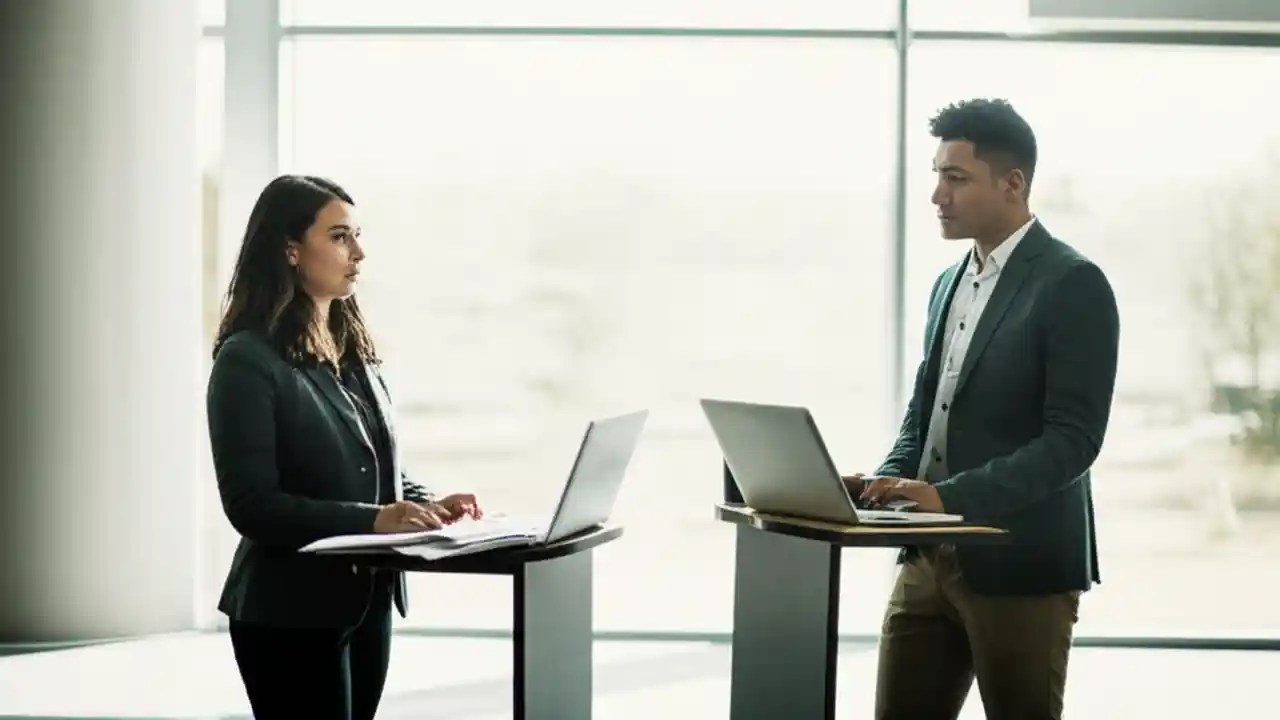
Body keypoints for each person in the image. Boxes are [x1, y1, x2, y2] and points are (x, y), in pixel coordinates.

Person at [848, 99, 1119, 719]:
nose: (937, 194)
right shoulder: (948, 284)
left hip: (1018, 564)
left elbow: (1073, 442)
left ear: (1013, 183)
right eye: (937, 175)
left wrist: (949, 497)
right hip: (927, 563)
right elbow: (925, 412)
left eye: (956, 178)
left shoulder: (1072, 284)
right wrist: (883, 482)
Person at [207, 175, 485, 720]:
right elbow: (251, 505)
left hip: (365, 604)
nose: (358, 252)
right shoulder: (246, 362)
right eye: (340, 237)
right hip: (288, 612)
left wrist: (427, 503)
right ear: (290, 249)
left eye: (358, 235)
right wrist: (376, 519)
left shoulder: (352, 348)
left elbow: (372, 466)